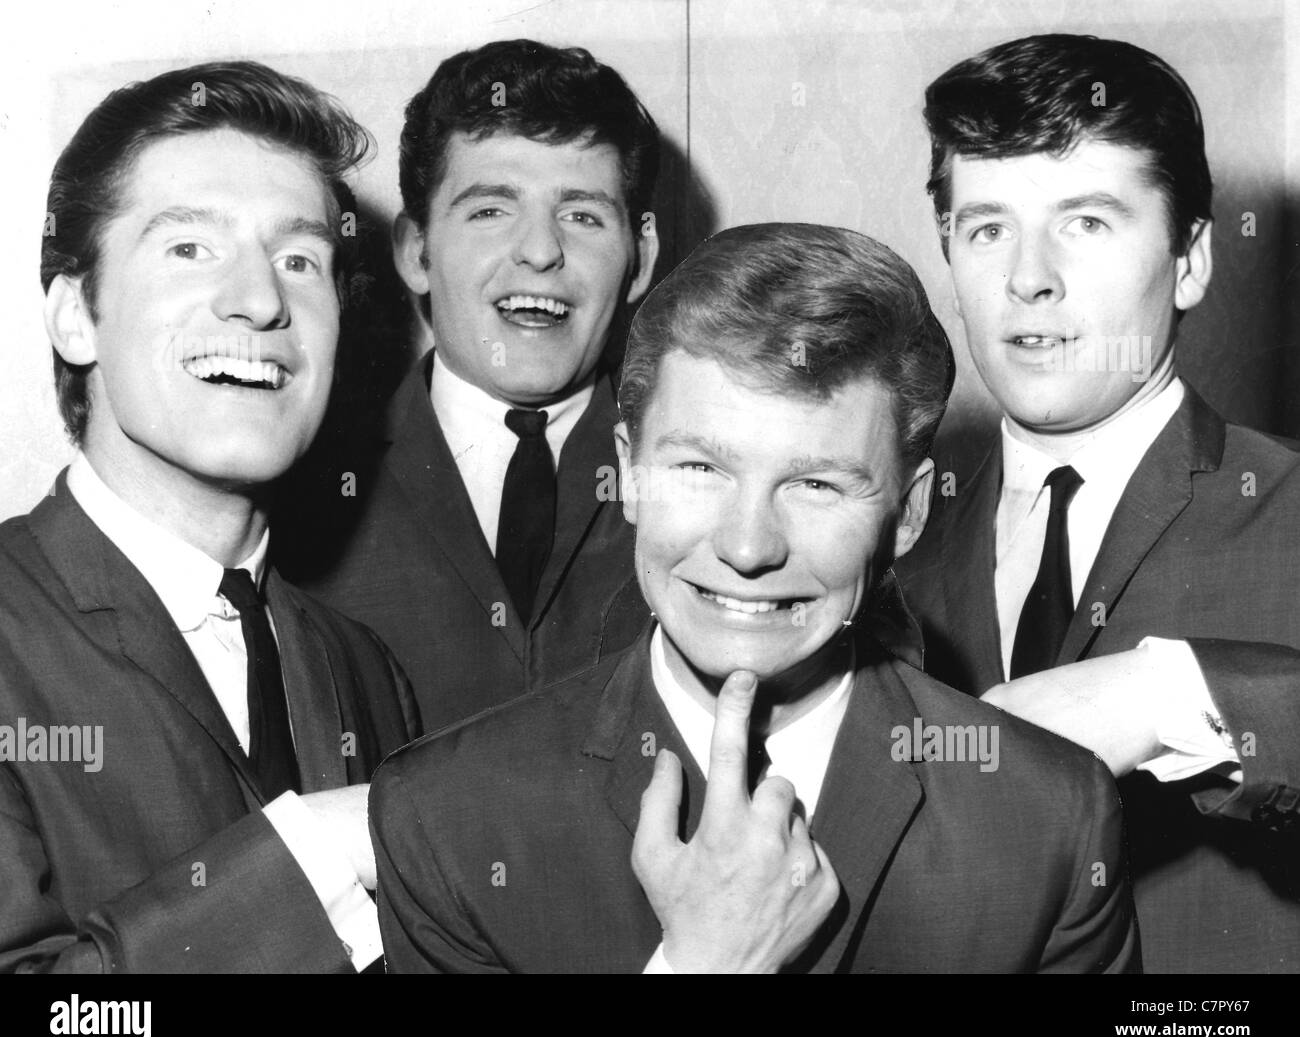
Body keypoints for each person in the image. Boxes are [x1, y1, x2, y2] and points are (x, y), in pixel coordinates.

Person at [370, 223, 1139, 973]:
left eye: (815, 484)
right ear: (629, 474)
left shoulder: (1048, 819)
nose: (746, 547)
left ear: (907, 513)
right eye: (701, 470)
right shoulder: (446, 819)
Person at [0, 61, 418, 973]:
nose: (262, 300)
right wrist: (319, 853)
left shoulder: (364, 669)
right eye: (191, 247)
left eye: (300, 259)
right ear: (76, 316)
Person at [896, 33, 1300, 973]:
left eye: (1086, 221)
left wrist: (1166, 697)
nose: (1029, 278)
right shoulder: (887, 556)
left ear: (1192, 260)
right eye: (988, 227)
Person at [276, 39, 660, 732]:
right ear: (415, 251)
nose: (541, 251)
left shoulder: (708, 483)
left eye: (582, 215)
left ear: (640, 262)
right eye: (490, 210)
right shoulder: (296, 489)